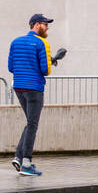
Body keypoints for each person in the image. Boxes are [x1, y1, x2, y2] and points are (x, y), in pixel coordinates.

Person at [8, 13, 62, 176]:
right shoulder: (42, 43)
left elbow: (11, 67)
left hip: (19, 88)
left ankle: (18, 157)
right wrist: (52, 60)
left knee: (30, 123)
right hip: (34, 88)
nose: (47, 28)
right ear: (36, 25)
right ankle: (26, 163)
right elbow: (45, 70)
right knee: (33, 124)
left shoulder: (15, 42)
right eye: (45, 24)